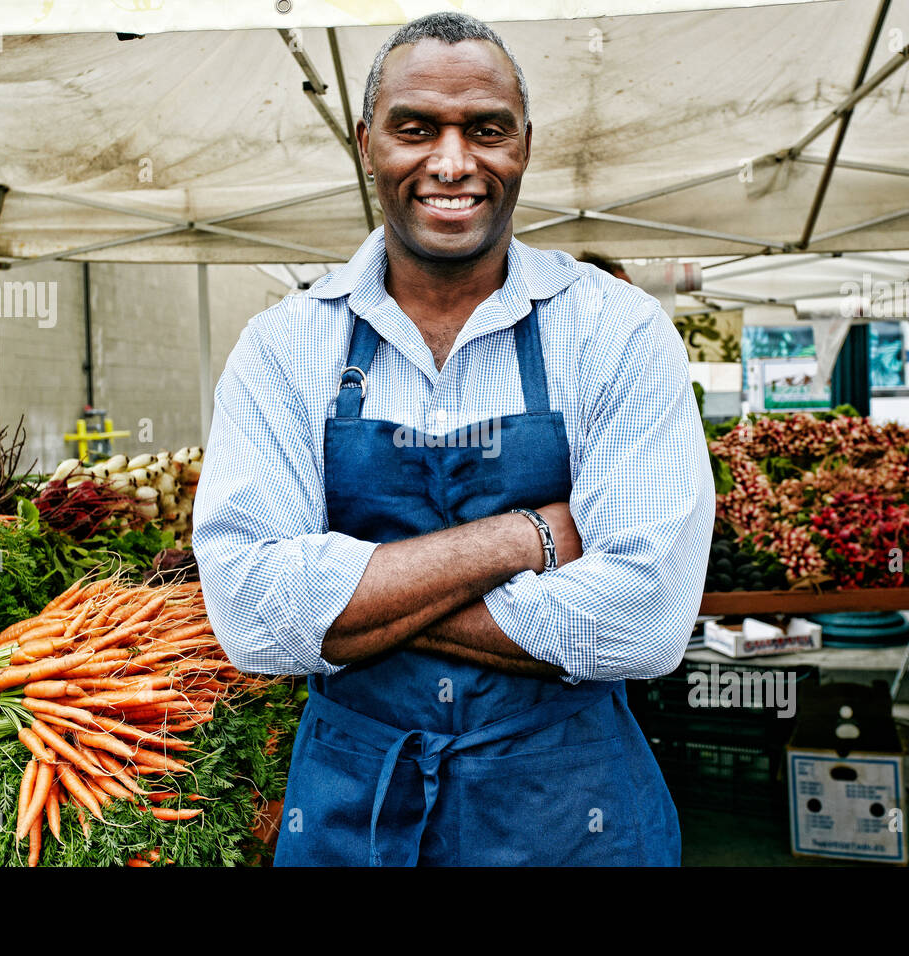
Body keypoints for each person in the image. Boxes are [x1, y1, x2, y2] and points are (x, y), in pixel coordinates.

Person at [192, 11, 714, 866]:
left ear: (525, 146)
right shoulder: (286, 345)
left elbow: (642, 622)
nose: (452, 162)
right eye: (415, 128)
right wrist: (527, 538)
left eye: (486, 130)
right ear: (367, 143)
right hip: (353, 814)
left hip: (569, 813)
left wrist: (354, 600)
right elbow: (253, 619)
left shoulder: (614, 331)